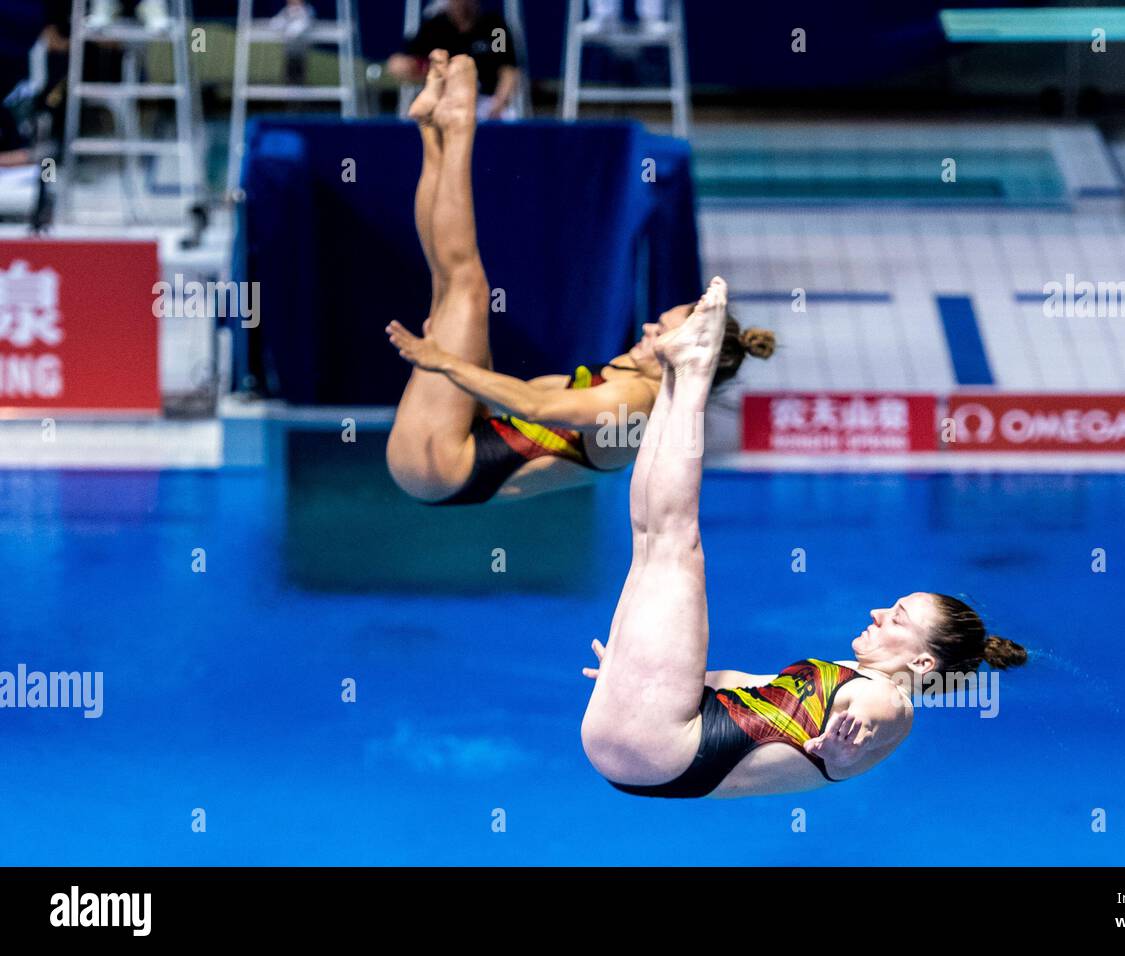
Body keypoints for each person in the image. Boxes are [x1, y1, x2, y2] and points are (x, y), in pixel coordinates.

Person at [579, 279, 1029, 798]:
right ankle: (676, 374)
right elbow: (741, 686)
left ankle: (695, 366)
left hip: (664, 746)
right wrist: (637, 672)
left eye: (897, 617)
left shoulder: (891, 704)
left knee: (673, 541)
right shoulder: (844, 675)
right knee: (654, 542)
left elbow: (874, 716)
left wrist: (846, 745)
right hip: (645, 747)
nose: (878, 612)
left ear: (923, 663)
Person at [384, 53, 775, 506]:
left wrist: (446, 363)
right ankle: (432, 128)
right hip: (458, 444)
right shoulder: (634, 375)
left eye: (661, 333)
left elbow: (533, 407)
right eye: (658, 322)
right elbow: (525, 401)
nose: (648, 329)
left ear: (685, 360)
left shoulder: (634, 404)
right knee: (451, 287)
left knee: (466, 285)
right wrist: (462, 354)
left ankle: (459, 126)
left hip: (445, 465)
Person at [387, 0, 521, 121]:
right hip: (445, 101)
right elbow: (400, 63)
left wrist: (499, 102)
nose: (463, 3)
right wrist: (415, 70)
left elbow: (508, 69)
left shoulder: (496, 28)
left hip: (486, 102)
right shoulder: (434, 27)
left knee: (508, 120)